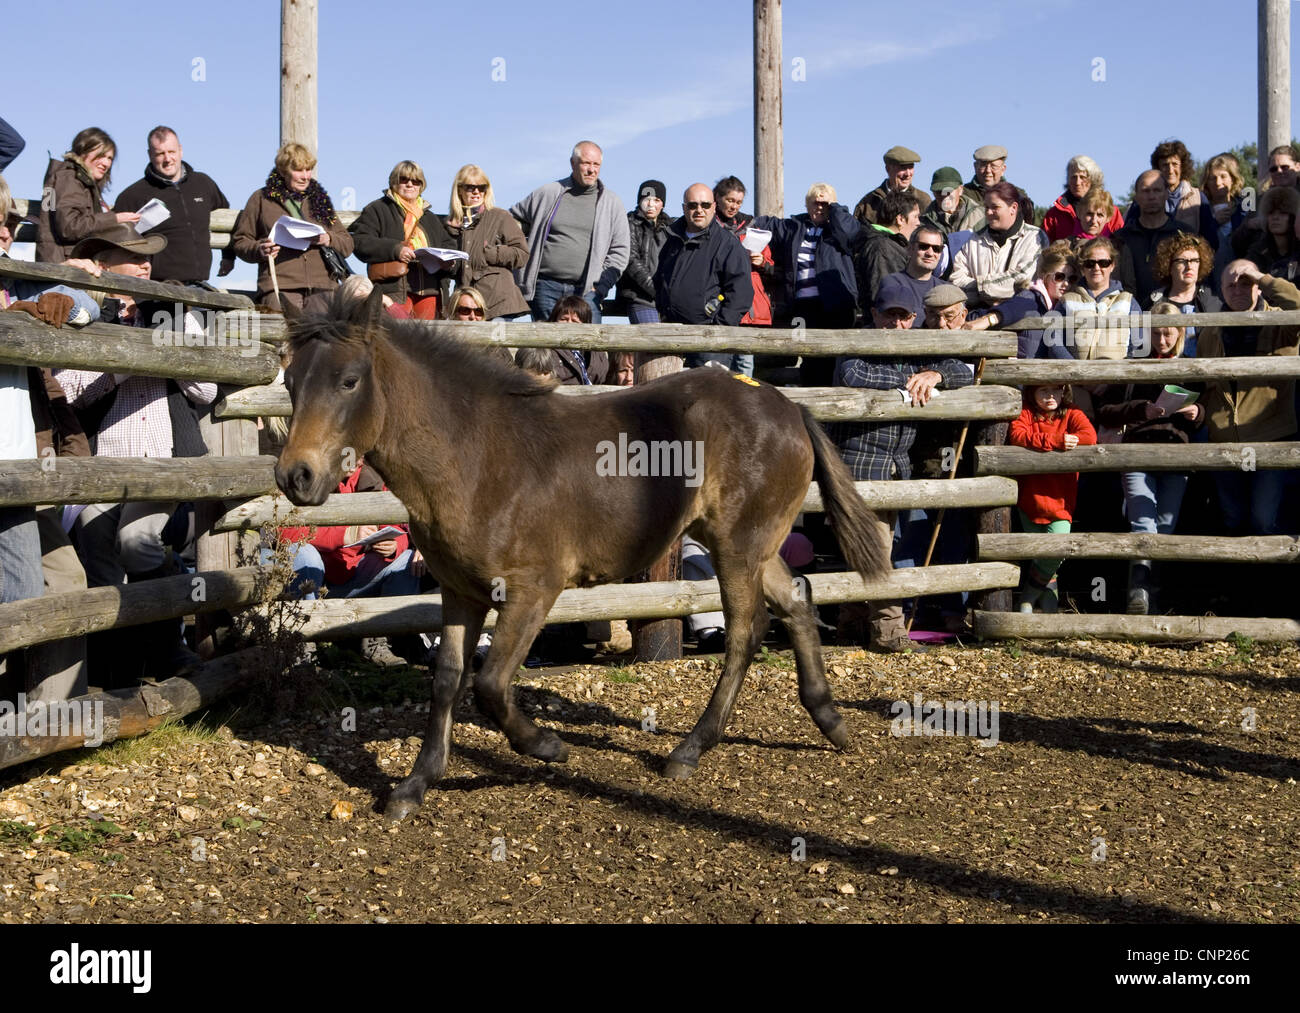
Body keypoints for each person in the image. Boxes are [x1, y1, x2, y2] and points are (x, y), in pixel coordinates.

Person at [54, 224, 215, 680]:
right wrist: (121, 367)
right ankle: (118, 666)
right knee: (94, 546)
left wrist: (165, 342)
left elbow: (205, 388)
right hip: (104, 466)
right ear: (105, 266)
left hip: (163, 462)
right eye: (133, 255)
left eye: (148, 257)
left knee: (137, 541)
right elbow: (64, 390)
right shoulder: (89, 317)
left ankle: (170, 647)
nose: (145, 264)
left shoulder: (174, 312)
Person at [827, 280, 974, 652]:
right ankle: (889, 631)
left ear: (913, 319)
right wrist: (909, 383)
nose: (897, 325)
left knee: (866, 549)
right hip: (858, 463)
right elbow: (855, 375)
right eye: (889, 315)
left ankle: (851, 625)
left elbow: (965, 370)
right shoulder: (858, 341)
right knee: (875, 550)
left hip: (894, 465)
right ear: (874, 315)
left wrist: (936, 375)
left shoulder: (919, 347)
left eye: (904, 317)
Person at [1093, 307, 1205, 614]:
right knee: (1142, 523)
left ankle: (1154, 598)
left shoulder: (1192, 368)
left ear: (1180, 334)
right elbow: (1105, 411)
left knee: (1166, 528)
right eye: (1156, 332)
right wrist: (1142, 408)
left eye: (1168, 332)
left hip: (1175, 456)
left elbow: (1206, 411)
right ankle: (1137, 595)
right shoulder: (1133, 367)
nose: (1162, 338)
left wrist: (1197, 413)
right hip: (1137, 453)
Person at [279, 460, 434, 667]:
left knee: (404, 560)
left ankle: (390, 640)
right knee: (305, 554)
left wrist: (394, 544)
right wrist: (344, 535)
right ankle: (303, 645)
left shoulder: (373, 478)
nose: (354, 461)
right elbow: (284, 530)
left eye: (358, 453)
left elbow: (396, 524)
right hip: (314, 582)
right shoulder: (303, 477)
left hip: (354, 576)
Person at [1197, 260, 1299, 537]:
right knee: (1232, 518)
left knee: (1263, 520)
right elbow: (1206, 386)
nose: (1238, 289)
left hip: (1271, 436)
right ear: (1220, 290)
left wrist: (1262, 277)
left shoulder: (1280, 321)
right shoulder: (1211, 331)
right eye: (1231, 284)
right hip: (1224, 439)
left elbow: (1298, 305)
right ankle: (1239, 579)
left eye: (1246, 282)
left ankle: (1268, 578)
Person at [753, 183, 861, 385]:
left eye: (824, 203)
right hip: (802, 308)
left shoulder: (838, 229)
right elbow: (763, 224)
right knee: (804, 351)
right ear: (807, 205)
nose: (820, 207)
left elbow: (852, 233)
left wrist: (835, 209)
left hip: (835, 307)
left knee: (834, 356)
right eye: (815, 203)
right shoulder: (794, 227)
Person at [509, 140, 628, 322]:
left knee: (589, 345)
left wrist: (601, 286)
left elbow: (620, 250)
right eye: (586, 163)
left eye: (596, 164)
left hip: (588, 291)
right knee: (548, 346)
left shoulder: (612, 203)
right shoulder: (548, 193)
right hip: (545, 285)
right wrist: (521, 254)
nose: (591, 170)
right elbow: (510, 220)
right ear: (573, 163)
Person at [232, 142, 353, 314]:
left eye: (308, 169)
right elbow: (241, 241)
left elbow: (347, 243)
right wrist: (260, 249)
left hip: (323, 288)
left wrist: (328, 238)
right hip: (280, 286)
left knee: (324, 340)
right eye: (298, 170)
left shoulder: (319, 200)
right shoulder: (260, 199)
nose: (305, 176)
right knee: (281, 339)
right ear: (283, 171)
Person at [1008, 384, 1097, 613]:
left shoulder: (1072, 413)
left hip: (1061, 500)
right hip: (1030, 498)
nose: (1050, 396)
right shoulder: (1026, 413)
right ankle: (1049, 612)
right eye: (1043, 391)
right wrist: (1057, 440)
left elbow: (1089, 436)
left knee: (1056, 552)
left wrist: (1056, 440)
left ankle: (1026, 599)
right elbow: (1017, 436)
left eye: (1056, 391)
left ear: (1064, 392)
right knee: (1042, 556)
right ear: (1032, 393)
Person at [654, 183, 753, 370]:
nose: (699, 210)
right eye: (692, 205)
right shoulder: (672, 240)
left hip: (710, 342)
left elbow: (741, 292)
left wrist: (718, 328)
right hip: (672, 336)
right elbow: (660, 279)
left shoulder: (728, 244)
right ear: (684, 208)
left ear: (714, 207)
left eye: (705, 205)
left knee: (711, 397)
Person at [113, 126, 228, 284]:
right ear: (149, 155)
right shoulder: (133, 195)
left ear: (180, 150)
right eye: (160, 153)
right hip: (156, 288)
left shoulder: (203, 183)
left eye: (171, 152)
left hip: (200, 286)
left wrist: (229, 257)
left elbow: (229, 217)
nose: (167, 159)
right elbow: (115, 241)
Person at [349, 160, 456, 319]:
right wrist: (395, 250)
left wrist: (448, 262)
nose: (410, 184)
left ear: (422, 185)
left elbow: (449, 246)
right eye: (403, 179)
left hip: (430, 291)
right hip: (394, 290)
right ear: (394, 182)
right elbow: (359, 241)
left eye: (415, 181)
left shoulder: (430, 218)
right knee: (394, 338)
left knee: (427, 341)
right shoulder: (377, 209)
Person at [36, 127, 139, 263]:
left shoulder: (82, 182)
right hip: (64, 265)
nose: (106, 163)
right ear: (83, 150)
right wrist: (114, 219)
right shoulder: (69, 178)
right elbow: (70, 227)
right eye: (101, 156)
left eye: (110, 158)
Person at [444, 164, 530, 320]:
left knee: (497, 345)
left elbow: (522, 254)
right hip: (468, 306)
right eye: (471, 187)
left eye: (482, 187)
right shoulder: (451, 224)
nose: (477, 191)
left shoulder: (500, 216)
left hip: (498, 303)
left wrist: (491, 253)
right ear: (459, 190)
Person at [965, 242, 1078, 360]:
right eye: (1059, 277)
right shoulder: (1031, 298)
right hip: (1021, 373)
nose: (1066, 283)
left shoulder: (1061, 306)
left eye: (1072, 279)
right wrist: (989, 319)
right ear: (1044, 275)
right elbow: (1016, 306)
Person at [948, 181, 1047, 308]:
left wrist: (979, 286)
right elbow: (956, 282)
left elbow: (1023, 280)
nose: (988, 212)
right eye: (987, 207)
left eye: (995, 207)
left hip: (1020, 319)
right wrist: (997, 291)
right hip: (976, 316)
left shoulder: (1035, 237)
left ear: (1013, 208)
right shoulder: (973, 240)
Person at [1059, 236, 1142, 363]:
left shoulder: (1128, 301)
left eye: (1104, 263)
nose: (1096, 268)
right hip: (1076, 379)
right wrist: (1074, 372)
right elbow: (1055, 341)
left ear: (1112, 265)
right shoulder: (1067, 301)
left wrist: (1120, 377)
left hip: (1117, 378)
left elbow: (1138, 343)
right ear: (1082, 268)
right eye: (1090, 263)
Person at [713, 175, 775, 344]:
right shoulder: (709, 227)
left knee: (745, 365)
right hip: (718, 306)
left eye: (738, 202)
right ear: (717, 197)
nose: (734, 206)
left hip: (750, 309)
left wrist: (761, 261)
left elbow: (772, 266)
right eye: (730, 200)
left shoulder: (751, 228)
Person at [1148, 232, 1221, 356]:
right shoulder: (1154, 302)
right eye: (1182, 261)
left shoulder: (1212, 302)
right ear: (1169, 266)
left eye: (1194, 260)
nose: (1189, 266)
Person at [1116, 170, 1182, 308]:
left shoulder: (1183, 235)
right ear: (1136, 196)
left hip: (1172, 316)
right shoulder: (1120, 239)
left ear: (1166, 194)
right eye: (1145, 191)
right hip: (1131, 316)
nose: (1151, 196)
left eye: (1157, 190)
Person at [854, 191, 920, 316]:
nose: (918, 223)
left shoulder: (890, 245)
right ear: (900, 219)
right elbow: (885, 295)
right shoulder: (882, 248)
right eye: (915, 216)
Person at [619, 179, 674, 324]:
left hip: (668, 300)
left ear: (663, 203)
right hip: (639, 298)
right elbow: (631, 260)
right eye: (646, 199)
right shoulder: (629, 223)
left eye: (656, 200)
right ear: (639, 201)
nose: (651, 204)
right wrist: (657, 291)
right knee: (652, 341)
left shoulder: (672, 228)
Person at [1147, 140, 1218, 246]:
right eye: (1165, 165)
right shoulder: (1146, 198)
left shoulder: (1198, 198)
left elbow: (1211, 240)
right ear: (1158, 168)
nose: (1170, 170)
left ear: (1182, 166)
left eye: (1174, 164)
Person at [1042, 155, 1124, 242]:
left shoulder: (1111, 211)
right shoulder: (1054, 214)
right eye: (1073, 177)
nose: (1077, 182)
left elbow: (1121, 243)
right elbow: (1044, 246)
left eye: (1083, 177)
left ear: (1093, 180)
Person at [877, 223, 944, 323]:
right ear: (909, 249)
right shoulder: (892, 283)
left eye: (936, 249)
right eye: (923, 246)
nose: (930, 253)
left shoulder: (945, 288)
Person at [853, 145, 930, 226]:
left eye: (911, 167)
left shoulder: (923, 200)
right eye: (902, 167)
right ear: (888, 169)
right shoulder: (868, 203)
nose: (908, 174)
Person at [543, 295, 610, 384]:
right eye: (564, 319)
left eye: (575, 321)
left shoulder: (597, 352)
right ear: (554, 320)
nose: (569, 324)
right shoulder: (544, 350)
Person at [1242, 185, 1300, 283]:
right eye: (1271, 213)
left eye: (1282, 213)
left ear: (1294, 217)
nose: (1275, 217)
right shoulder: (1258, 251)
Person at [920, 166, 984, 237]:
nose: (944, 196)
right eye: (939, 192)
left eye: (948, 192)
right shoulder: (924, 222)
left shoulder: (980, 216)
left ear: (960, 190)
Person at [965, 145, 1031, 210]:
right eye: (983, 165)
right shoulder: (962, 194)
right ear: (975, 167)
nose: (988, 170)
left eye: (993, 166)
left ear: (1003, 169)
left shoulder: (1017, 195)